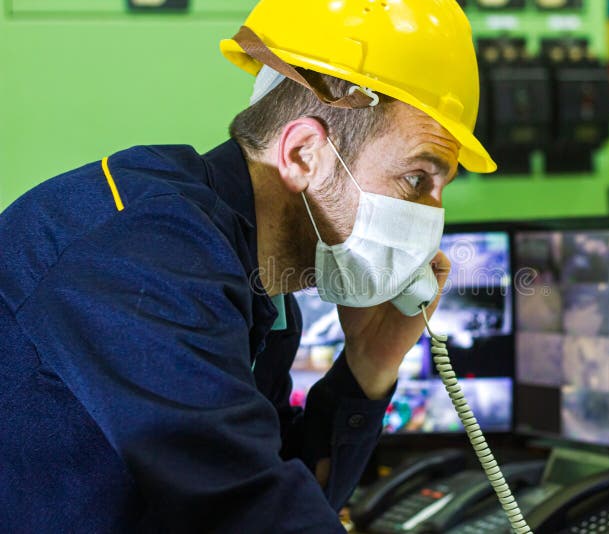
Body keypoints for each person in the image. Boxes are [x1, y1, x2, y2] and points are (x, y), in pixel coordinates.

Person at [0, 0, 496, 531]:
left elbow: (286, 485)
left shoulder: (263, 285)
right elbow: (250, 509)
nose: (432, 222)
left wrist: (368, 367)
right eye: (418, 180)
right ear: (305, 154)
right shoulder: (144, 251)